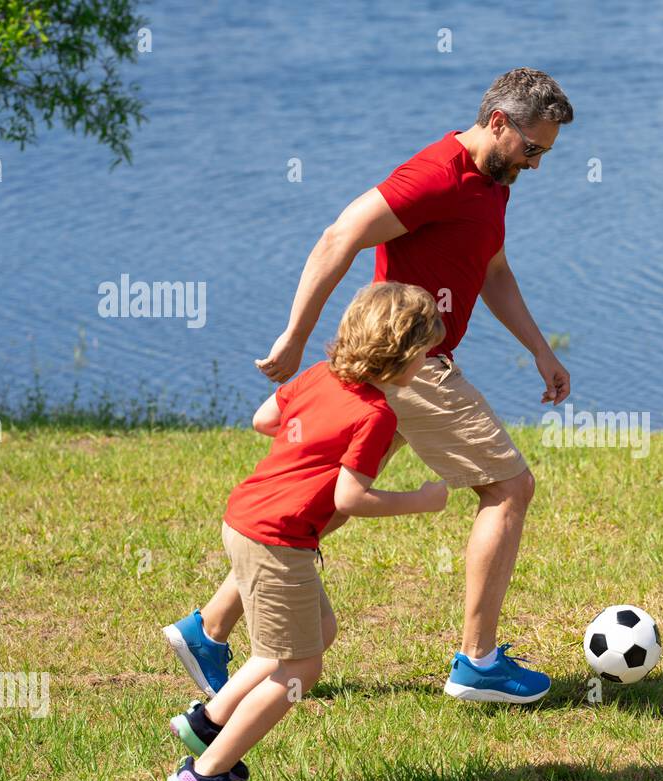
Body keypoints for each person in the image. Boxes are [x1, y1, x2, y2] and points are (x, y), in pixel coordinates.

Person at [164, 67, 574, 704]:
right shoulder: (437, 174)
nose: (537, 163)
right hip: (414, 363)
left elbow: (491, 267)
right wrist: (296, 336)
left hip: (404, 370)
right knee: (509, 487)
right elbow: (342, 234)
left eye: (544, 151)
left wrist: (541, 351)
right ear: (499, 123)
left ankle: (208, 630)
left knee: (323, 506)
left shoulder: (494, 181)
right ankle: (478, 662)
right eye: (532, 148)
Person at [166, 282, 447, 781]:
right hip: (277, 540)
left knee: (315, 634)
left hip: (249, 522)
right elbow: (351, 496)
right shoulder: (376, 413)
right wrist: (422, 499)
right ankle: (206, 775)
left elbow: (264, 420)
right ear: (402, 356)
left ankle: (208, 723)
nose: (426, 362)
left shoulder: (320, 376)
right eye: (424, 353)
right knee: (297, 670)